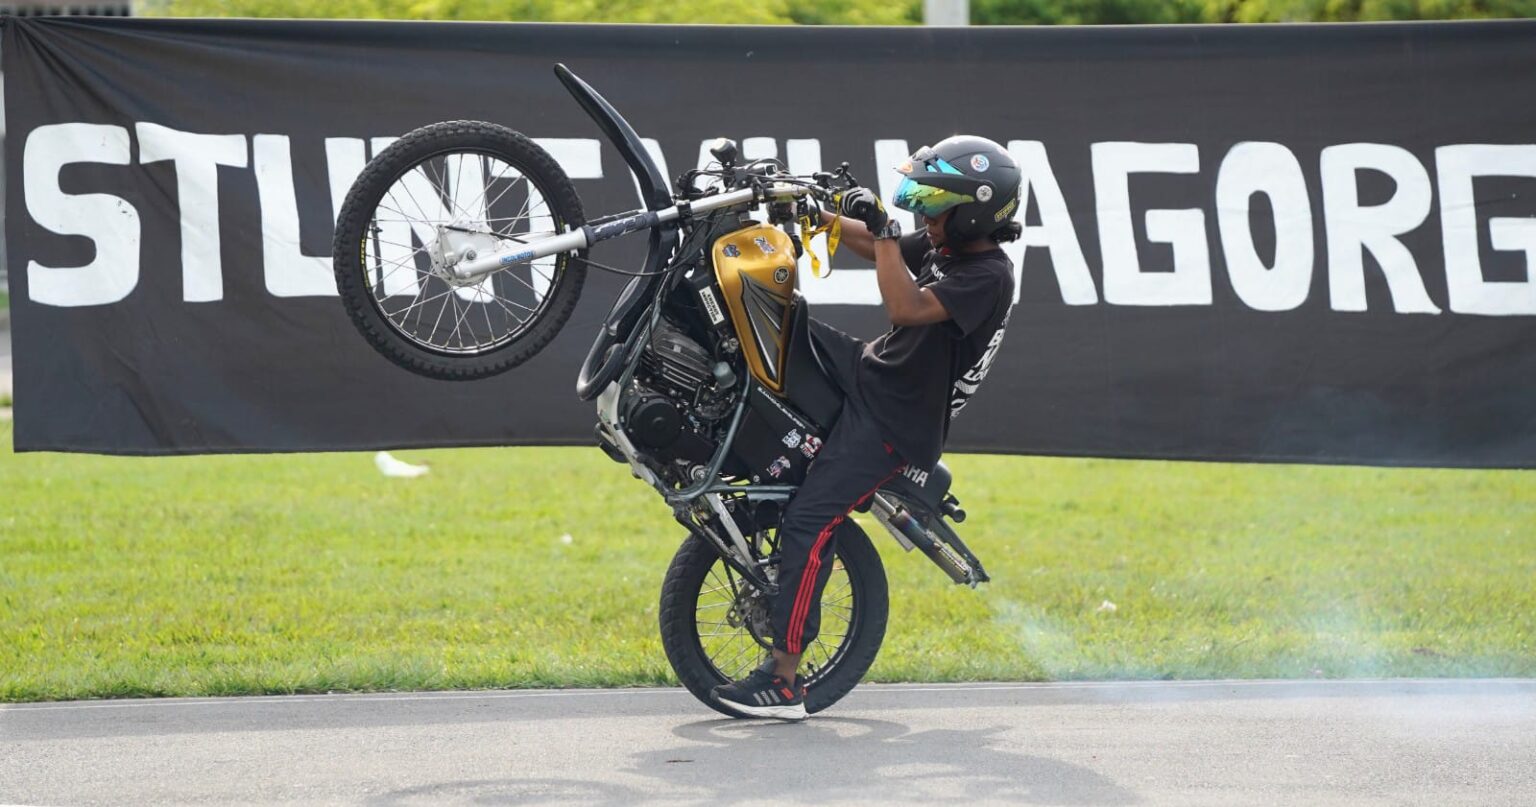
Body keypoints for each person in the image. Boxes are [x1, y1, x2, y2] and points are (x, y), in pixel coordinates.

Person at [711, 136, 1023, 720]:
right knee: (780, 319)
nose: (924, 219)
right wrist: (814, 213)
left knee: (810, 519)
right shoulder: (946, 245)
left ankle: (784, 681)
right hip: (870, 372)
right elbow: (869, 241)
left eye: (935, 209)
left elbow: (905, 308)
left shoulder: (988, 275)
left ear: (976, 212)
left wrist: (881, 232)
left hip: (894, 423)